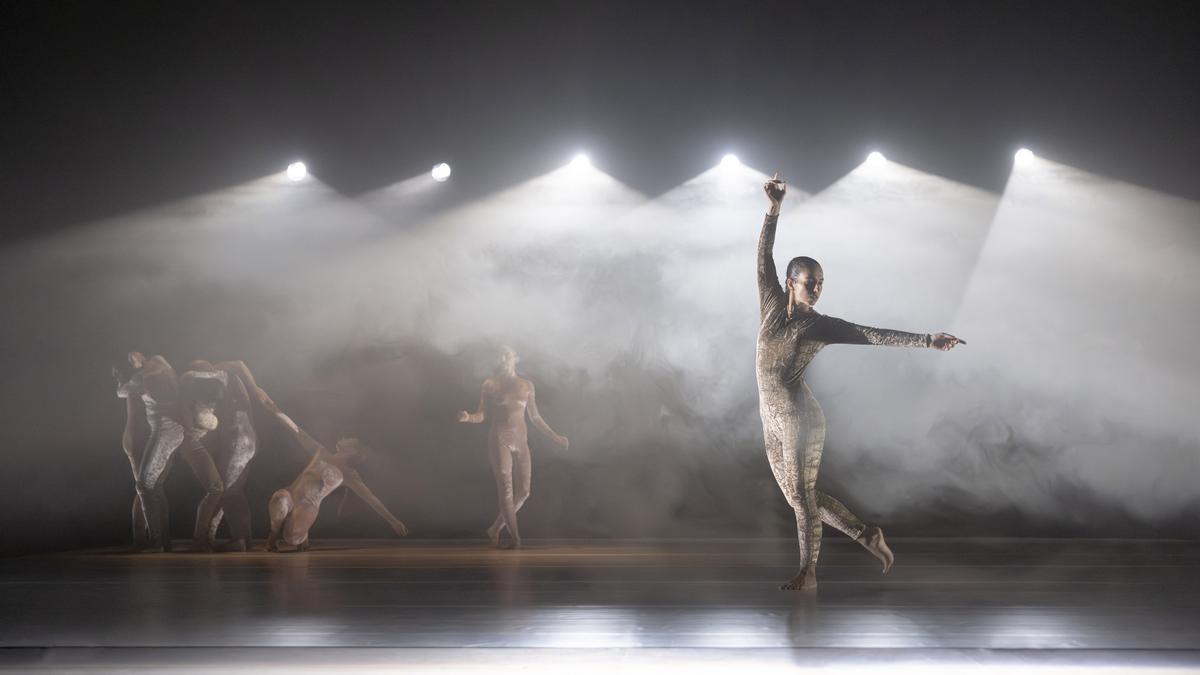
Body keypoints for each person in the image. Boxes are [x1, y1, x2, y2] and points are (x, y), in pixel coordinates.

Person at [755, 173, 963, 590]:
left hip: (800, 416)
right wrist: (774, 209)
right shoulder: (772, 304)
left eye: (821, 283)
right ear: (791, 283)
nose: (816, 289)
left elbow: (873, 334)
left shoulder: (821, 325)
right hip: (770, 416)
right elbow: (764, 257)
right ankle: (868, 535)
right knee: (801, 498)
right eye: (809, 282)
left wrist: (927, 340)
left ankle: (809, 572)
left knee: (801, 497)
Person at [457, 346, 569, 549]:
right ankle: (516, 539)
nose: (503, 357)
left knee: (525, 491)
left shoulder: (526, 385)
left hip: (521, 441)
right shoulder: (490, 384)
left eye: (507, 353)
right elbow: (481, 414)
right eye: (500, 354)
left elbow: (535, 418)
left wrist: (556, 437)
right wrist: (468, 418)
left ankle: (495, 529)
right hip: (499, 439)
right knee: (506, 488)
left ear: (516, 358)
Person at [267, 437, 408, 551]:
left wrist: (393, 521)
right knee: (279, 500)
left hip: (307, 508)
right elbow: (295, 429)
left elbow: (371, 499)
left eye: (349, 439)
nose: (344, 437)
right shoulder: (321, 452)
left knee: (291, 539)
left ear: (353, 450)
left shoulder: (349, 474)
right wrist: (271, 406)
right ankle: (272, 537)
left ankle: (303, 536)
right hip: (290, 496)